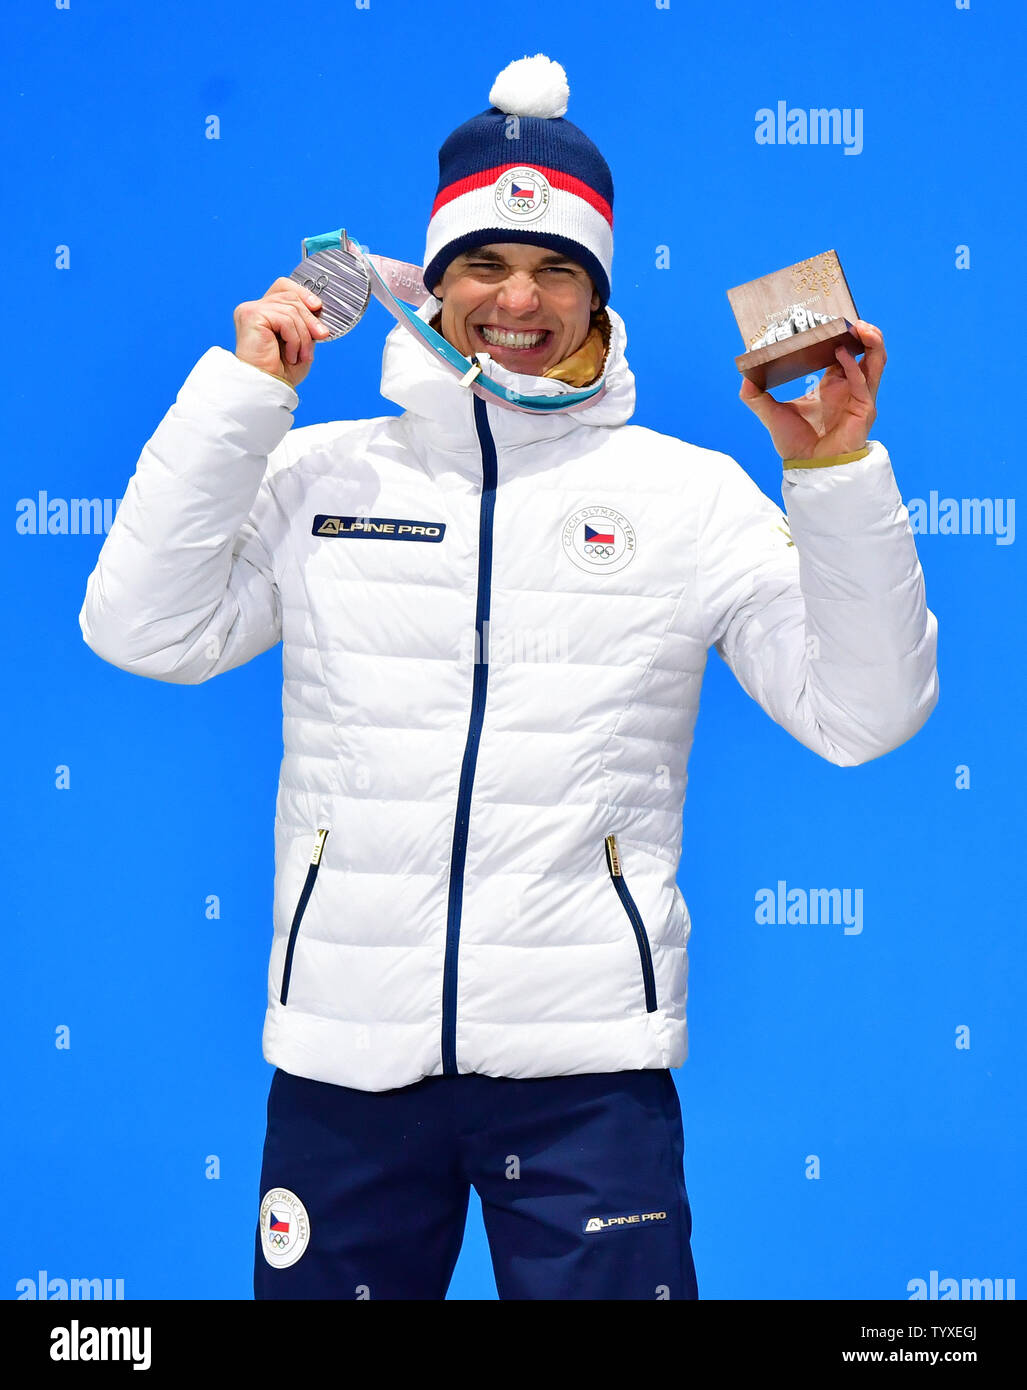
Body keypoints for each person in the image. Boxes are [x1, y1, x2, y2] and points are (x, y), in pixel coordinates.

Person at [78, 54, 939, 1301]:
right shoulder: (323, 476)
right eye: (483, 264)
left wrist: (837, 474)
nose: (517, 300)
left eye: (556, 271)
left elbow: (863, 716)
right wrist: (243, 394)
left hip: (589, 1074)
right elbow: (140, 630)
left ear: (599, 293)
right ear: (430, 282)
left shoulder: (687, 497)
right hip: (342, 1062)